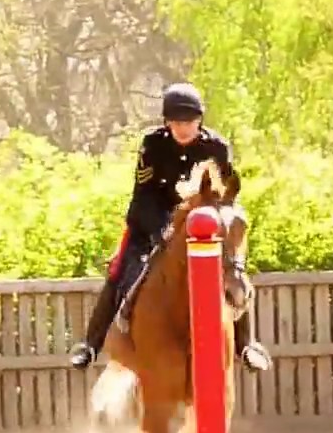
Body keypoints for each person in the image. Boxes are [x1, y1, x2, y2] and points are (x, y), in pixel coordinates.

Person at [67, 82, 272, 373]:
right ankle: (90, 345)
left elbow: (225, 195)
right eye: (176, 122)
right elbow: (144, 194)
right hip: (154, 220)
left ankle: (247, 345)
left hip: (205, 220)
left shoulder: (217, 148)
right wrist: (160, 230)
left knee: (233, 271)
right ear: (167, 122)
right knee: (120, 270)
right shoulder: (153, 145)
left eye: (188, 122)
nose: (182, 128)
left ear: (199, 121)